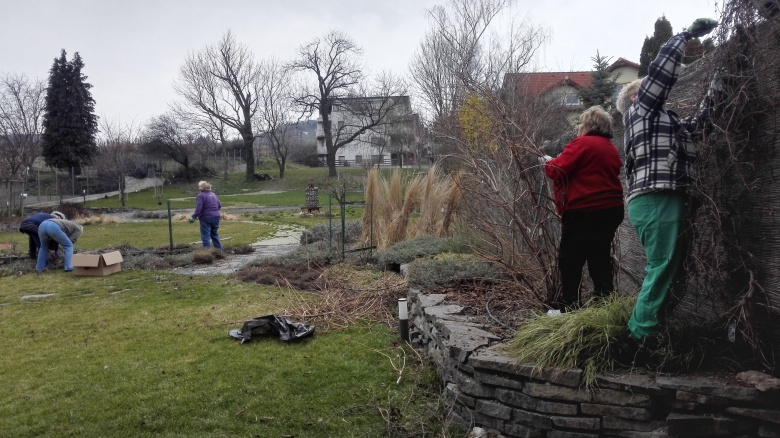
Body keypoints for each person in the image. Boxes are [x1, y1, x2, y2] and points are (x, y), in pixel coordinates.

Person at [615, 18, 720, 344]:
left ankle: (650, 329)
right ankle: (637, 338)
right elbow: (661, 74)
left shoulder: (663, 122)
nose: (654, 93)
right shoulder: (641, 111)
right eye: (645, 90)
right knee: (662, 265)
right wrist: (684, 37)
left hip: (662, 198)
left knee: (670, 266)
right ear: (636, 98)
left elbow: (701, 124)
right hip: (655, 197)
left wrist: (720, 82)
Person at [542, 105, 624, 311]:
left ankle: (570, 306)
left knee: (570, 260)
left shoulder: (582, 143)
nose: (579, 127)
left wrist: (548, 162)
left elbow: (557, 170)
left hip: (584, 210)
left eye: (581, 123)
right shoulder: (610, 148)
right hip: (611, 210)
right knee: (599, 257)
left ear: (588, 125)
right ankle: (605, 305)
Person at [190, 180, 222, 251]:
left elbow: (199, 208)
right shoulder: (213, 195)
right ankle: (219, 251)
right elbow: (219, 205)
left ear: (201, 187)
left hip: (206, 218)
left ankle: (208, 252)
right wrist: (215, 211)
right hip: (216, 217)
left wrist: (194, 217)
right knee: (214, 234)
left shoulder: (200, 196)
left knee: (205, 236)